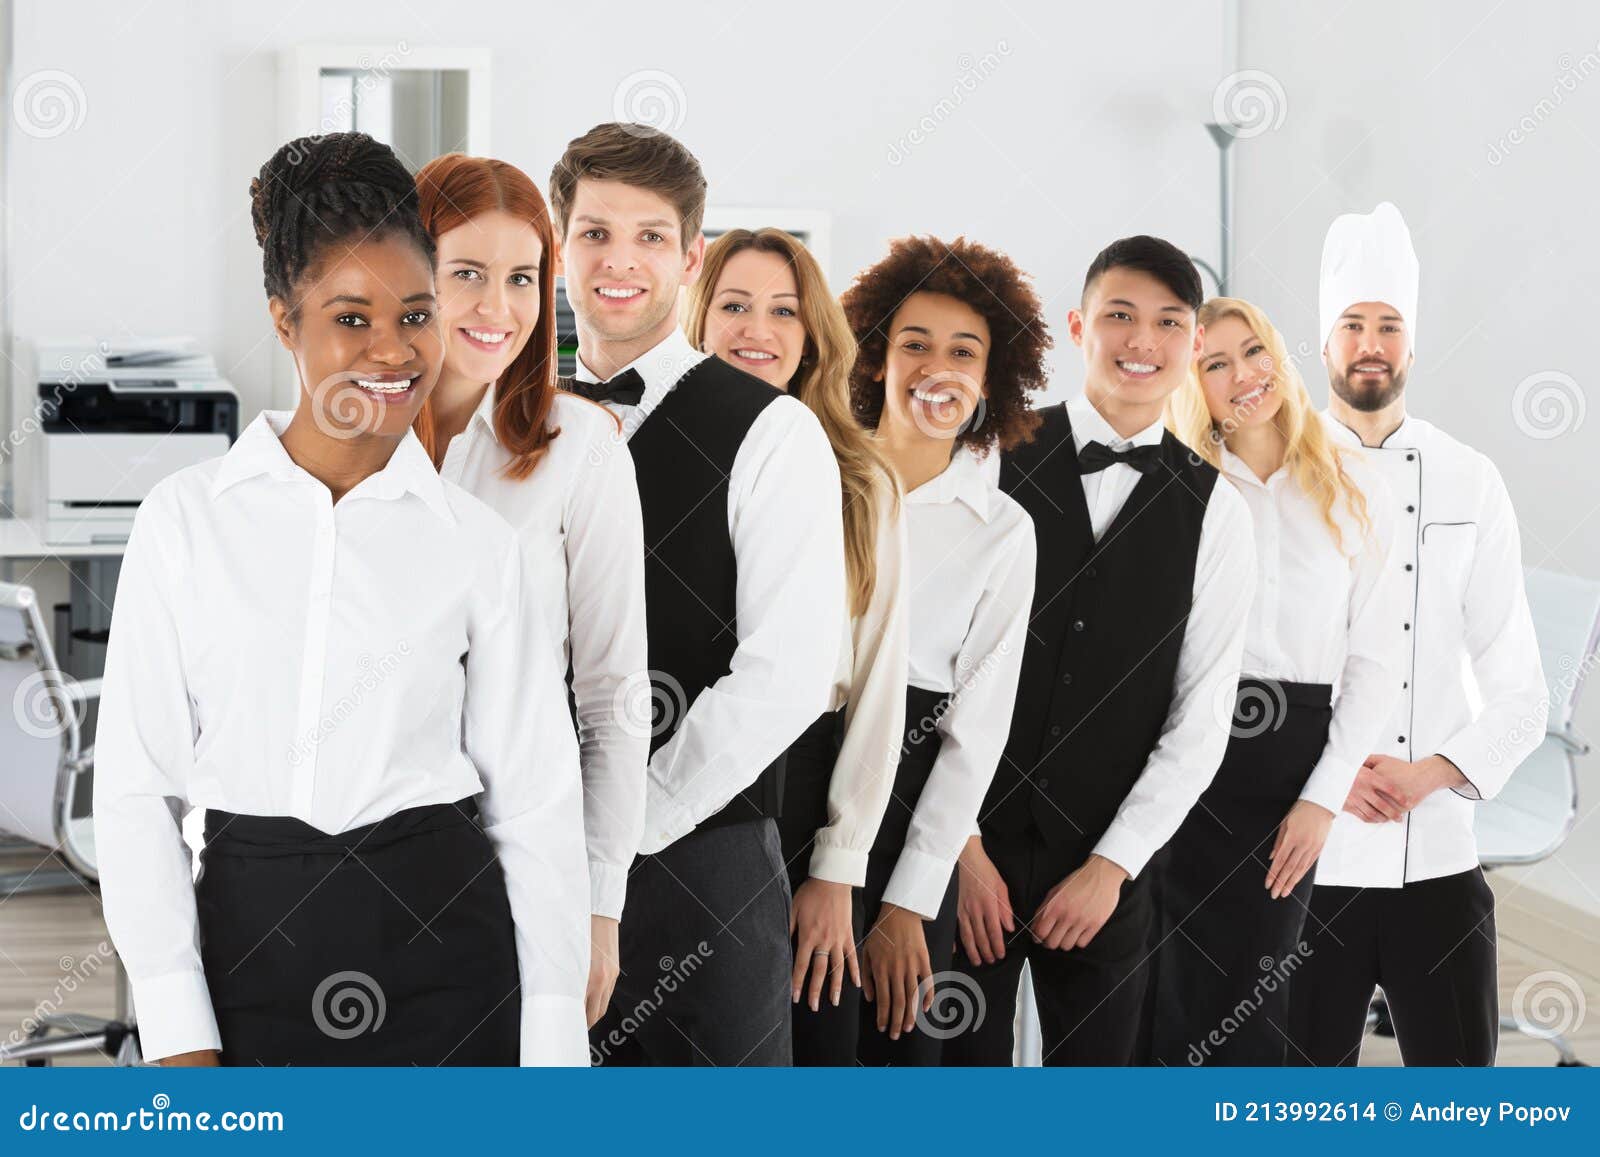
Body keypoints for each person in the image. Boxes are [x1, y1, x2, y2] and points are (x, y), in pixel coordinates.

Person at [94, 132, 590, 1067]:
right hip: (247, 955)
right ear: (285, 321)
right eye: (351, 317)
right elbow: (134, 793)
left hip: (452, 959)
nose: (393, 350)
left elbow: (535, 807)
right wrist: (174, 1026)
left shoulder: (479, 545)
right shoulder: (185, 523)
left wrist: (554, 1045)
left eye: (415, 314)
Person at [551, 123, 845, 1066]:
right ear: (561, 247)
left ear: (690, 258)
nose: (619, 260)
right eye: (595, 233)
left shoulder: (773, 431)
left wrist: (624, 826)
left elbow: (790, 671)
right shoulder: (513, 422)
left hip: (698, 864)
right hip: (531, 861)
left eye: (649, 236)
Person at [944, 235, 1257, 1066]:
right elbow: (934, 661)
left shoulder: (1219, 511)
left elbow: (1201, 719)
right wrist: (959, 846)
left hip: (1108, 866)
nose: (1142, 341)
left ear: (1194, 342)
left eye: (1168, 322)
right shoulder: (984, 457)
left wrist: (1110, 867)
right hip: (962, 849)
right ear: (1080, 326)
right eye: (1120, 315)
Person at [1287, 202, 1546, 1066]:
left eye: (1389, 325)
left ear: (1412, 342)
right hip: (1307, 857)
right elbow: (1239, 680)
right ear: (1324, 341)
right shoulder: (1277, 475)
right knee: (1293, 1107)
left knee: (1460, 1102)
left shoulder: (1472, 479)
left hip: (1437, 851)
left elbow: (1522, 692)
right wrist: (1332, 775)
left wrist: (1426, 773)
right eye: (1353, 324)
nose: (1371, 344)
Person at [410, 153, 649, 1028]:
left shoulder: (581, 447)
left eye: (521, 278)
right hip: (366, 848)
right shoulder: (353, 444)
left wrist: (599, 902)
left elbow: (614, 693)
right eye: (467, 273)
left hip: (524, 862)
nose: (498, 308)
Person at [1144, 295, 1405, 1065]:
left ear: (1280, 357)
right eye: (1215, 364)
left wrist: (1323, 795)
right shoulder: (1178, 486)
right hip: (1185, 743)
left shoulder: (1356, 486)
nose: (1243, 376)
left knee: (1259, 995)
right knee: (1162, 988)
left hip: (1291, 759)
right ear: (1193, 384)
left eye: (1253, 351)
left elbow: (1374, 661)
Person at [684, 228, 909, 1065]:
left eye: (784, 311)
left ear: (812, 335)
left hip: (804, 794)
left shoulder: (863, 480)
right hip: (678, 761)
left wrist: (836, 867)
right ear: (699, 319)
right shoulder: (649, 452)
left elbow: (880, 688)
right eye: (735, 306)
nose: (758, 329)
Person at [838, 235, 1041, 1065]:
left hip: (911, 811)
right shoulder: (816, 477)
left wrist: (908, 903)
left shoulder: (1003, 532)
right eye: (915, 344)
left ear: (990, 380)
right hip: (793, 782)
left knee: (900, 1061)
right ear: (876, 356)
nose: (937, 367)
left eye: (964, 351)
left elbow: (974, 737)